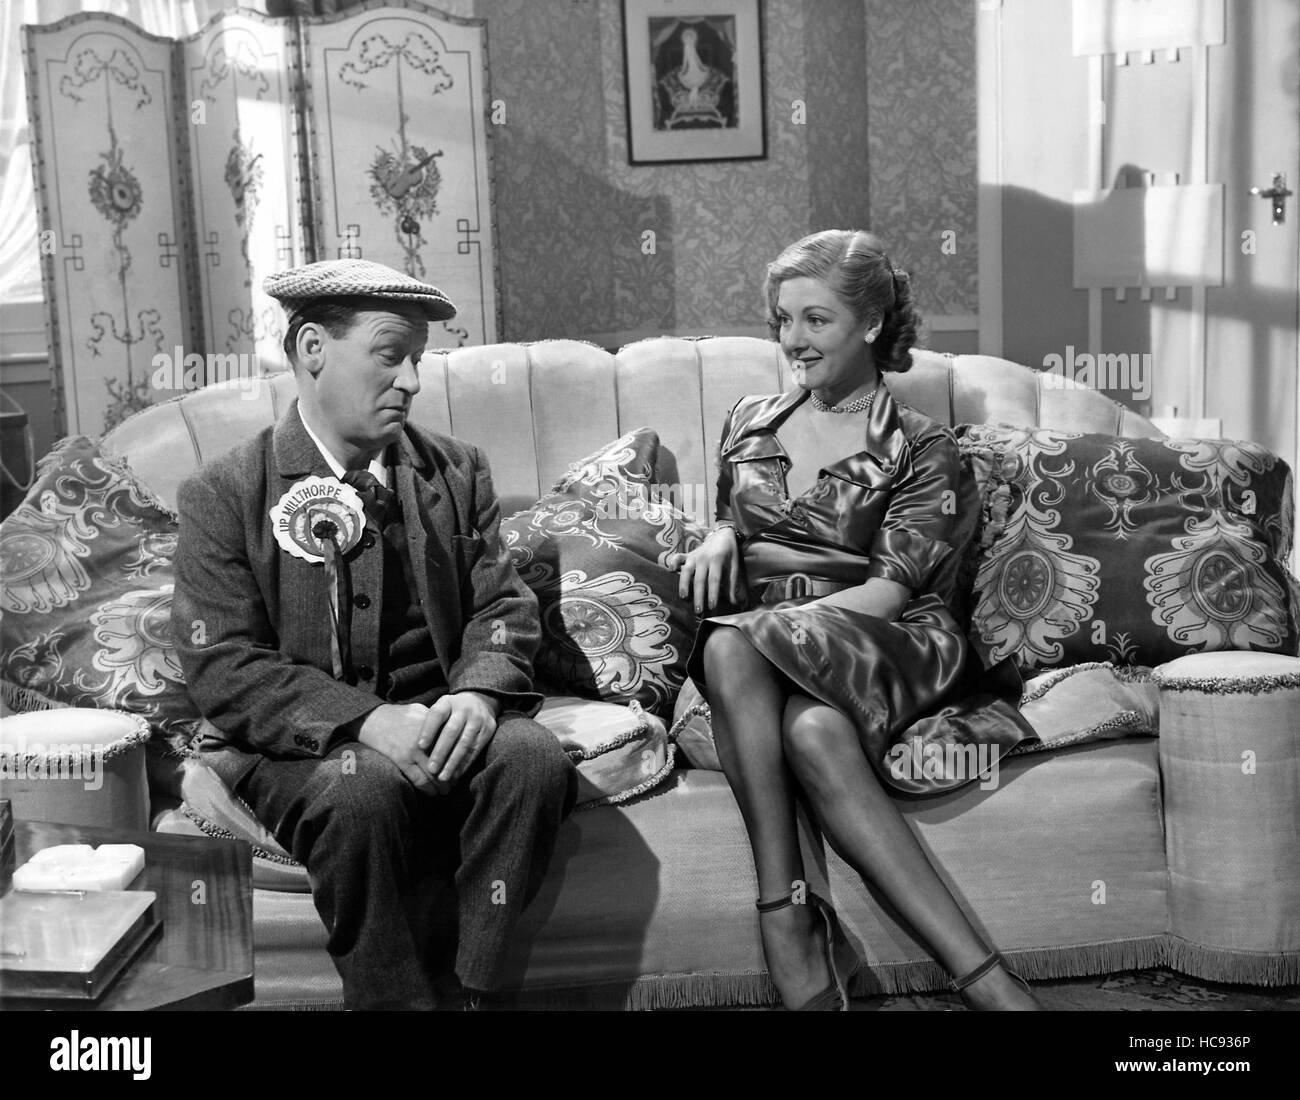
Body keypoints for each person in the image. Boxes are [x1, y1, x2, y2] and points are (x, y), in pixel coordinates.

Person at [172, 258, 576, 1010]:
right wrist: (365, 721)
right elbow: (222, 664)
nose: (414, 381)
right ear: (313, 351)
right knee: (362, 793)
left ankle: (475, 991)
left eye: (419, 359)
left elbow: (504, 606)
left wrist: (480, 696)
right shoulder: (225, 492)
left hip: (444, 717)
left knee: (531, 756)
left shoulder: (456, 471)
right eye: (392, 356)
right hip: (308, 750)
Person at [678, 230, 1042, 1011]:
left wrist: (757, 624)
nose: (791, 342)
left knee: (732, 645)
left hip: (889, 637)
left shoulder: (921, 445)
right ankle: (992, 987)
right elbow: (731, 520)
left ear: (871, 324)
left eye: (815, 320)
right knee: (811, 731)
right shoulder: (748, 420)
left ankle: (783, 916)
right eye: (781, 320)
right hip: (773, 642)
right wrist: (719, 533)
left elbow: (886, 594)